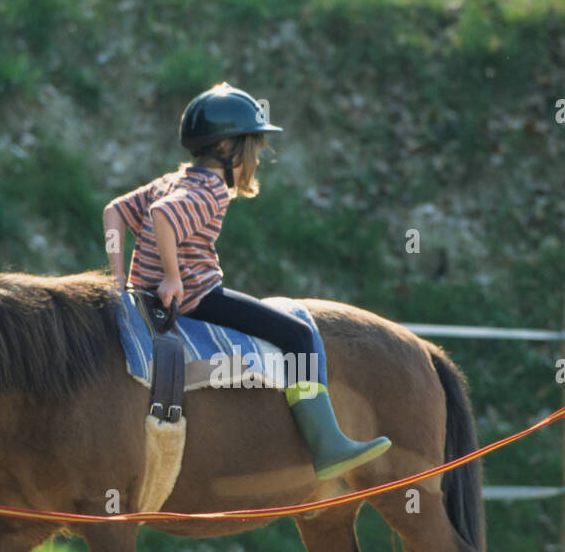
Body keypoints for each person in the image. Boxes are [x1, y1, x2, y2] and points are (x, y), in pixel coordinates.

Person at [102, 82, 391, 480]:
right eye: (253, 148)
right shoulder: (212, 191)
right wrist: (172, 278)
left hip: (145, 294)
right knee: (298, 337)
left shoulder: (173, 180)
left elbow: (115, 211)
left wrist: (120, 278)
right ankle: (327, 444)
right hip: (197, 297)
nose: (257, 159)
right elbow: (165, 217)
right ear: (227, 149)